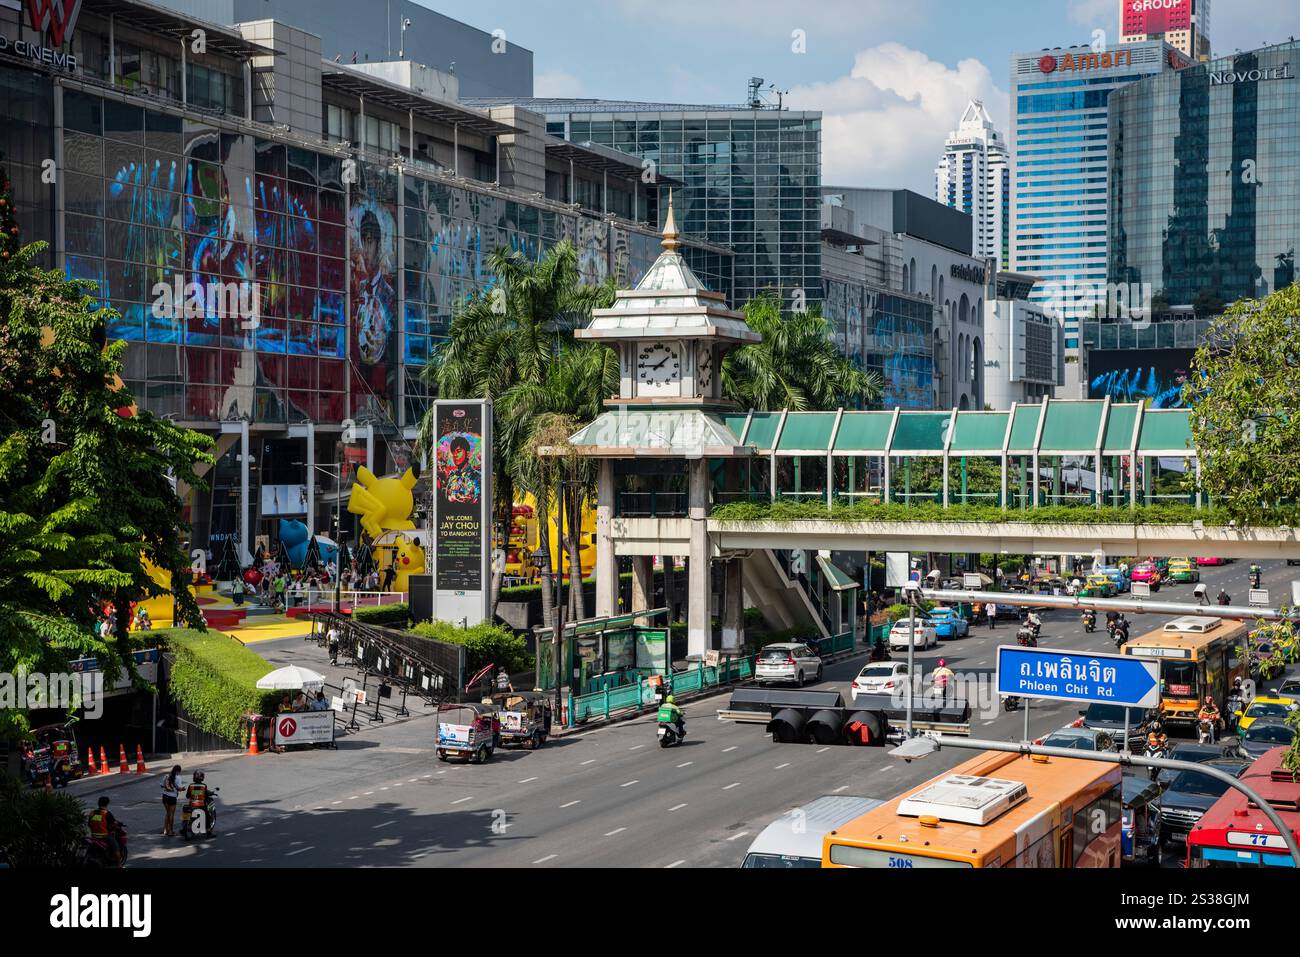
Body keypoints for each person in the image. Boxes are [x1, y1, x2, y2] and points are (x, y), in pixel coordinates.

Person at [88, 796, 124, 865]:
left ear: (98, 803)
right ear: (107, 803)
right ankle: (119, 865)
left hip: (94, 836)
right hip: (104, 836)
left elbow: (89, 824)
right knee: (116, 846)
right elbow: (114, 823)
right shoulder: (106, 813)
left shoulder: (92, 812)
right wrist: (118, 824)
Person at [161, 765, 182, 837]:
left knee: (167, 813)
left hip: (165, 796)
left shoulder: (166, 776)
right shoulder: (178, 778)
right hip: (172, 797)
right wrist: (182, 789)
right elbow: (179, 788)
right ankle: (170, 831)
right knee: (171, 814)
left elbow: (162, 785)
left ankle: (165, 830)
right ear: (178, 771)